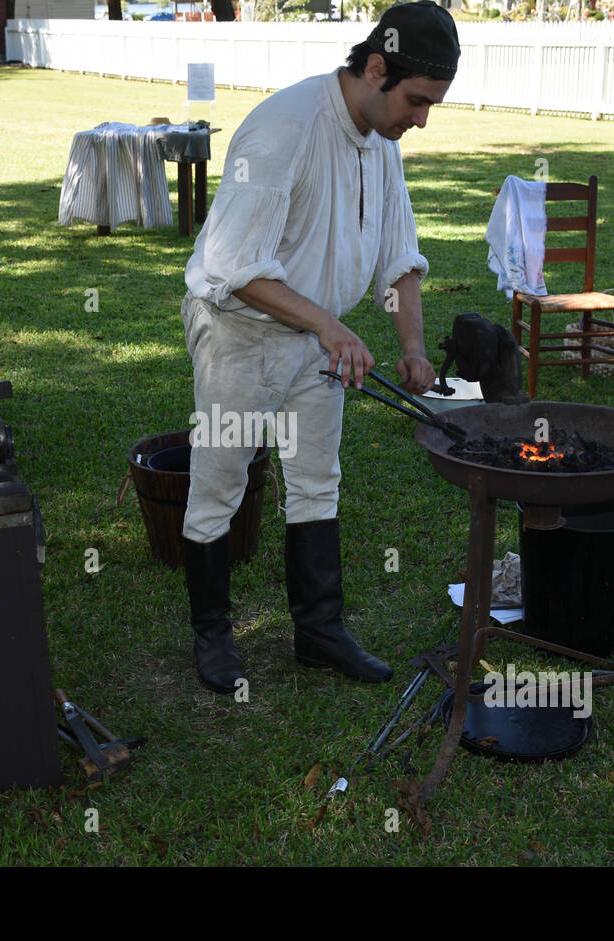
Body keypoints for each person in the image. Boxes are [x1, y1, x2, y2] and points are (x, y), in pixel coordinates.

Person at [180, 1, 459, 693]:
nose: (421, 120)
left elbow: (399, 258)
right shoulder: (286, 127)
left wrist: (414, 347)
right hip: (240, 333)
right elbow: (233, 264)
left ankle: (318, 632)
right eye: (417, 100)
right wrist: (331, 327)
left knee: (316, 480)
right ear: (374, 69)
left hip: (317, 339)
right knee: (220, 483)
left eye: (433, 105)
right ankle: (212, 636)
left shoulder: (383, 143)